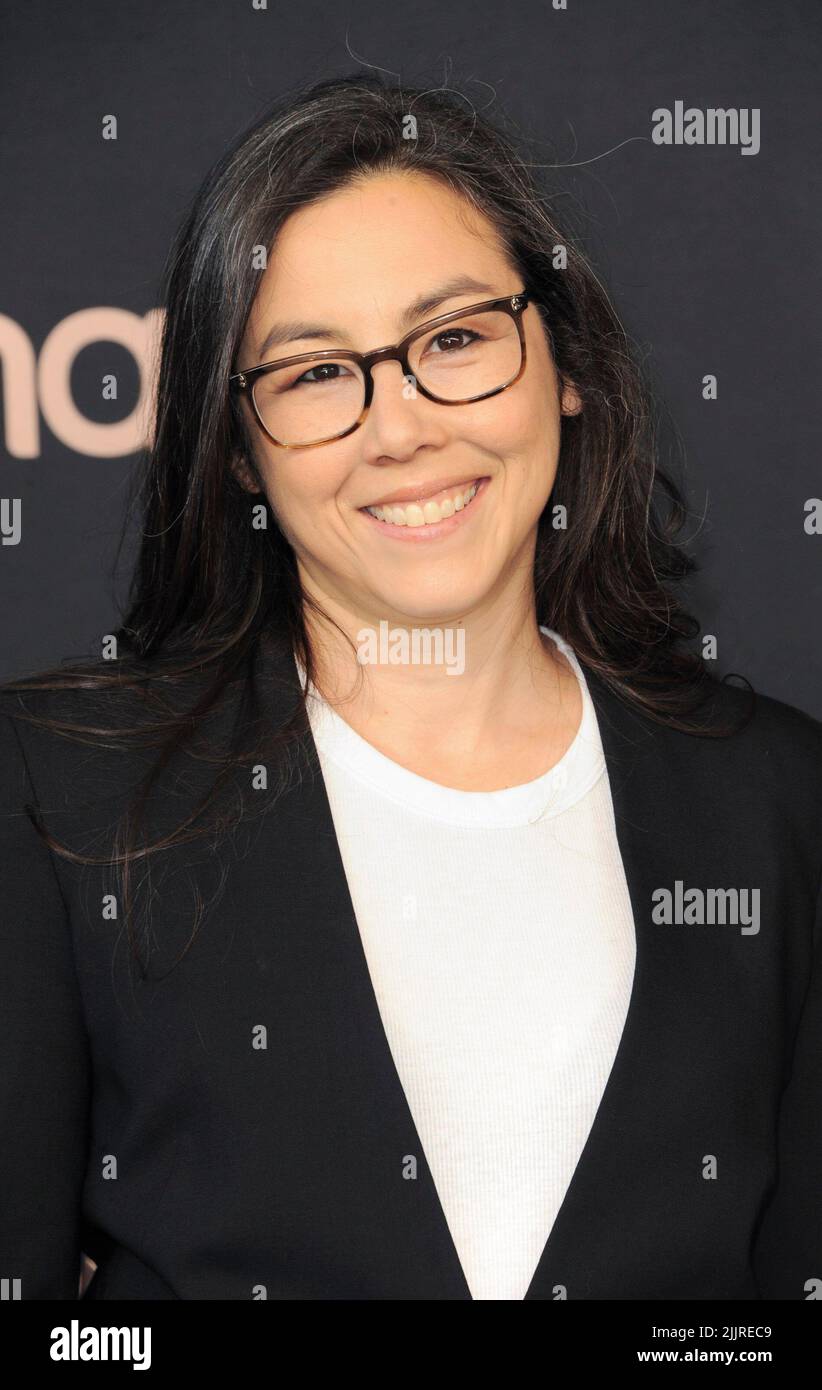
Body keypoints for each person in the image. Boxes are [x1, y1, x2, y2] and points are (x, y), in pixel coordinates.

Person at [1, 73, 820, 1302]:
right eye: (318, 373)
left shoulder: (780, 800)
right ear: (237, 452)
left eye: (453, 339)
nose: (401, 427)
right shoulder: (58, 796)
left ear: (568, 365)